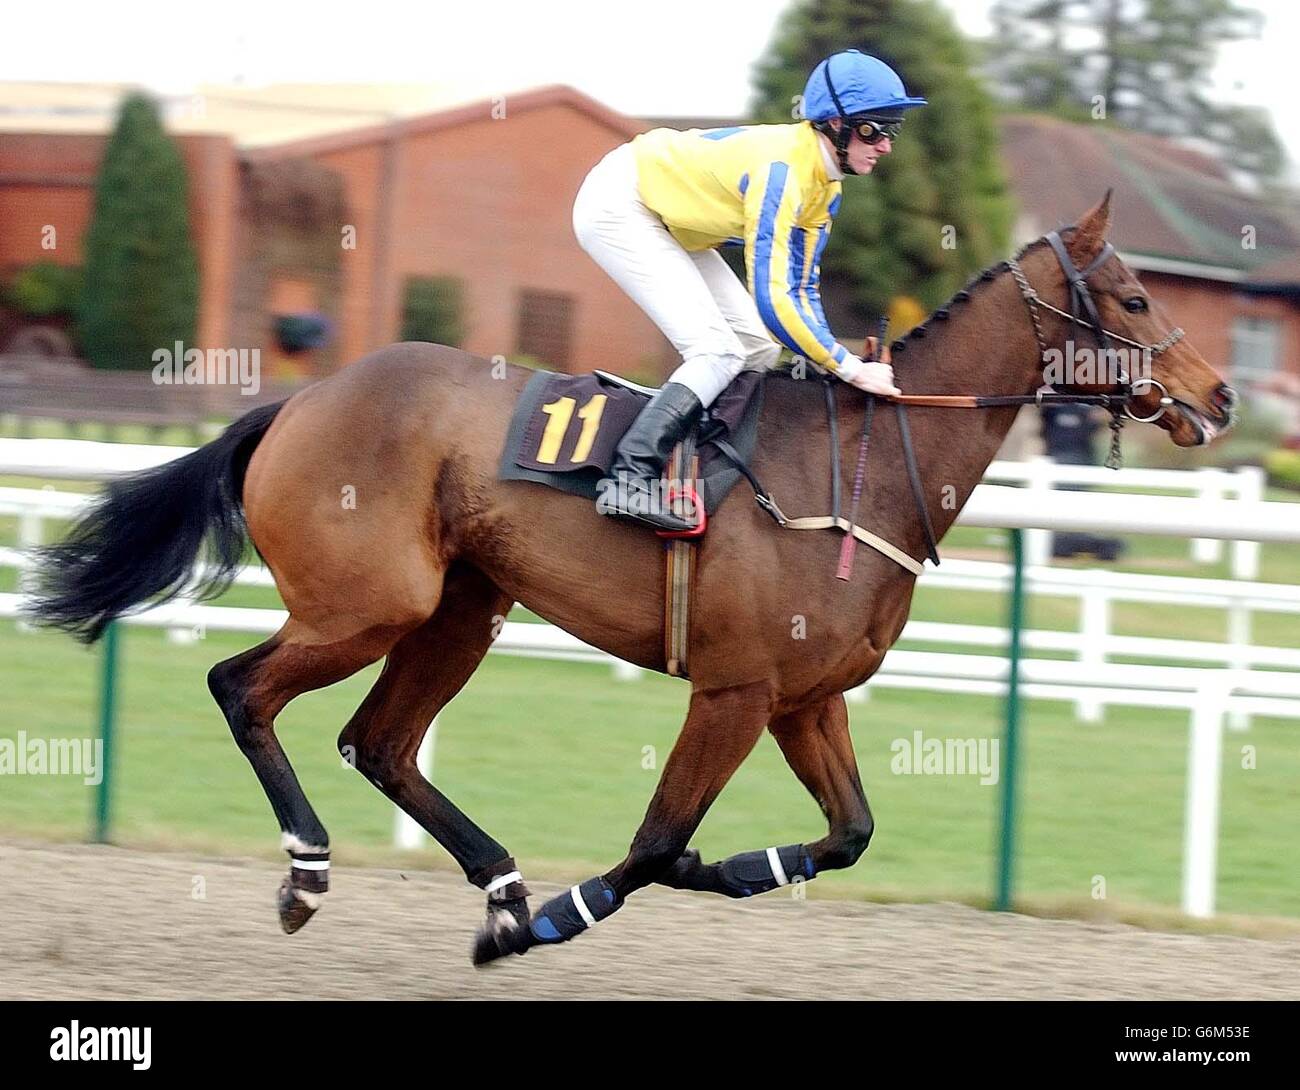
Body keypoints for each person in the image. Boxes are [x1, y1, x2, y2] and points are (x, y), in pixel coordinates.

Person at [573, 49, 927, 531]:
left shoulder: (827, 187)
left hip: (675, 219)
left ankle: (696, 460)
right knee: (716, 350)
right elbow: (775, 298)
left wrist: (837, 361)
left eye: (891, 131)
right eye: (874, 129)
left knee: (756, 345)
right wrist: (848, 367)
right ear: (835, 126)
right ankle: (628, 476)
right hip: (623, 202)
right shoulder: (783, 173)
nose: (885, 145)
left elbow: (801, 291)